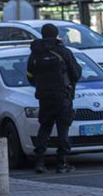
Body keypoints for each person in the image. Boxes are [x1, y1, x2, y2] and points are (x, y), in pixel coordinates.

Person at [27, 23, 82, 174]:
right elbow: (76, 73)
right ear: (56, 34)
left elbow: (29, 75)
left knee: (44, 128)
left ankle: (39, 163)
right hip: (62, 96)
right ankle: (62, 163)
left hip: (44, 96)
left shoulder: (35, 53)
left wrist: (41, 85)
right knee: (63, 129)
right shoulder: (63, 51)